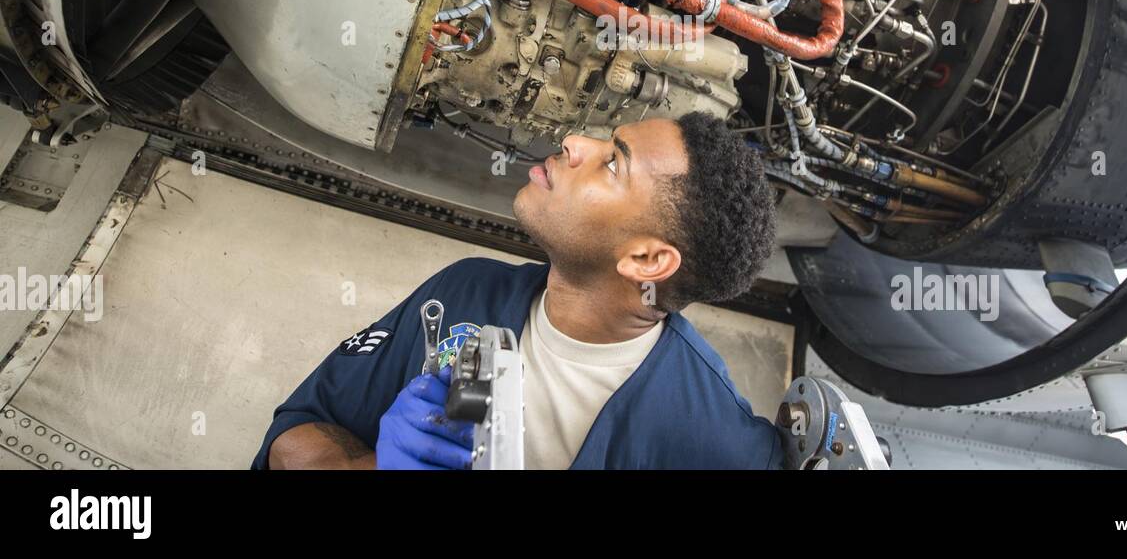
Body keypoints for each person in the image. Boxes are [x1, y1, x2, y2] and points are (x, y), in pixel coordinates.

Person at [252, 111, 782, 470]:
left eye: (613, 161)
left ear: (646, 259)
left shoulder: (713, 439)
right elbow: (294, 434)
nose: (575, 143)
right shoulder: (464, 290)